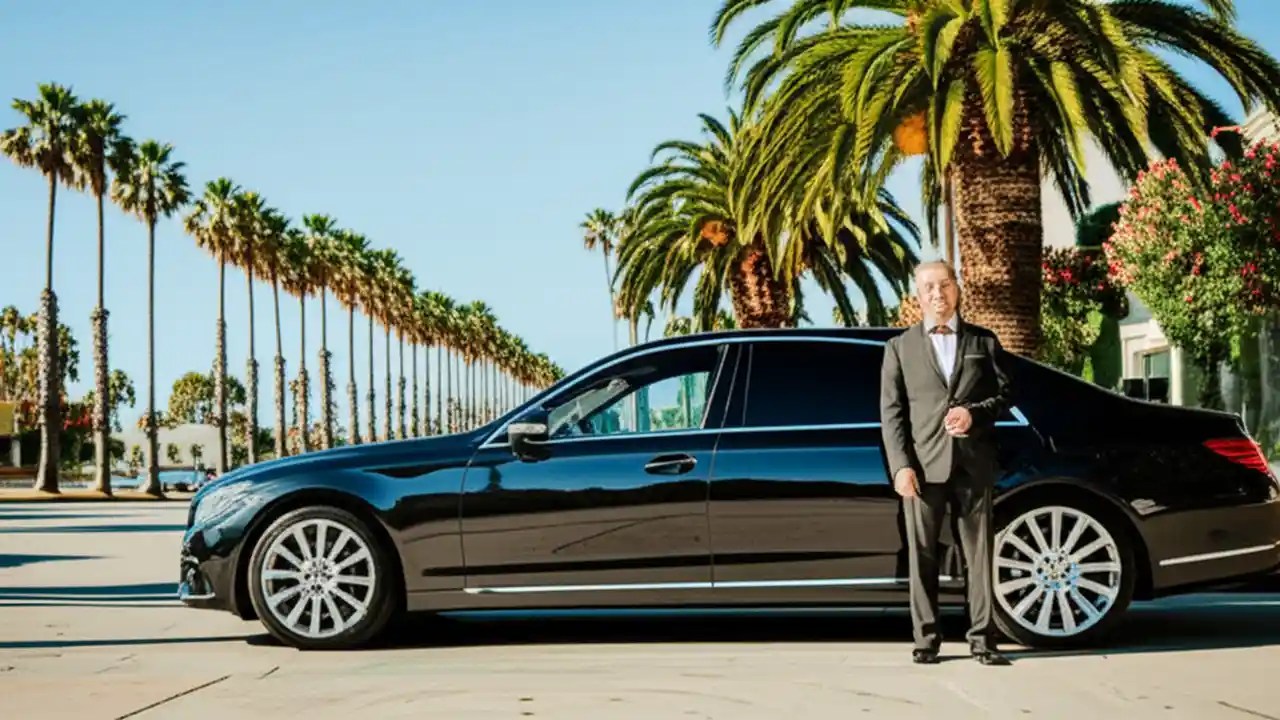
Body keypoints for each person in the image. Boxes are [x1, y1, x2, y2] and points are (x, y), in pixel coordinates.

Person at [879, 260, 1013, 666]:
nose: (938, 294)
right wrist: (901, 466)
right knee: (923, 557)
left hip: (974, 466)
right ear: (917, 296)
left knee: (979, 557)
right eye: (929, 288)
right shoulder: (898, 349)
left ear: (957, 288)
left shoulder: (984, 343)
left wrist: (975, 413)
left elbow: (1005, 396)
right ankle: (926, 641)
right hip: (922, 469)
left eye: (945, 285)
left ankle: (983, 642)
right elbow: (892, 413)